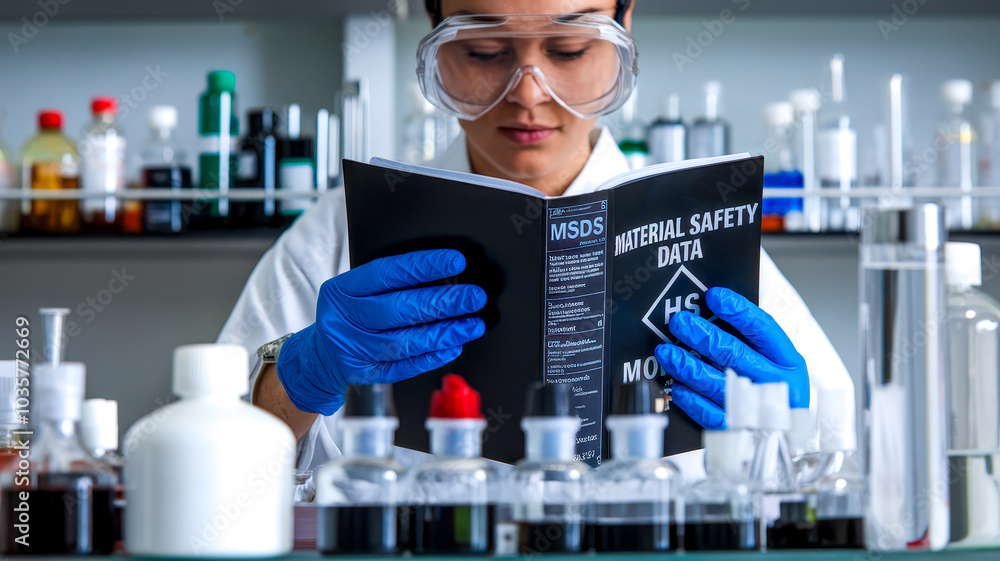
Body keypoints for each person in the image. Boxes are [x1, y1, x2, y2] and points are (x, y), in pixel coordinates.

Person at [218, 0, 850, 471]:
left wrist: (791, 420)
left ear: (624, 32)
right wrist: (299, 378)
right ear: (436, 44)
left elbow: (839, 462)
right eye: (485, 51)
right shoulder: (337, 232)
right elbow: (213, 459)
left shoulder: (700, 233)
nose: (527, 94)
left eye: (570, 50)